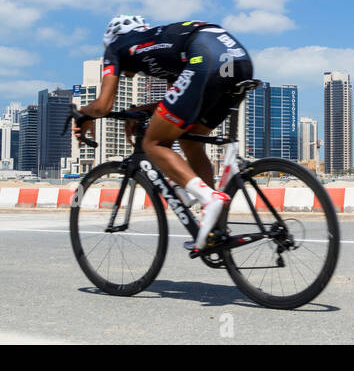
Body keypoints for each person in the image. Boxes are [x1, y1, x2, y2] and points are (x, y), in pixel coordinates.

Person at [72, 15, 254, 252]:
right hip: (237, 60)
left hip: (206, 57)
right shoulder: (161, 47)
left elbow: (103, 106)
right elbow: (175, 103)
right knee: (189, 140)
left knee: (154, 143)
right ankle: (215, 231)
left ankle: (209, 198)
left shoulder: (116, 48)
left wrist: (82, 114)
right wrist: (140, 110)